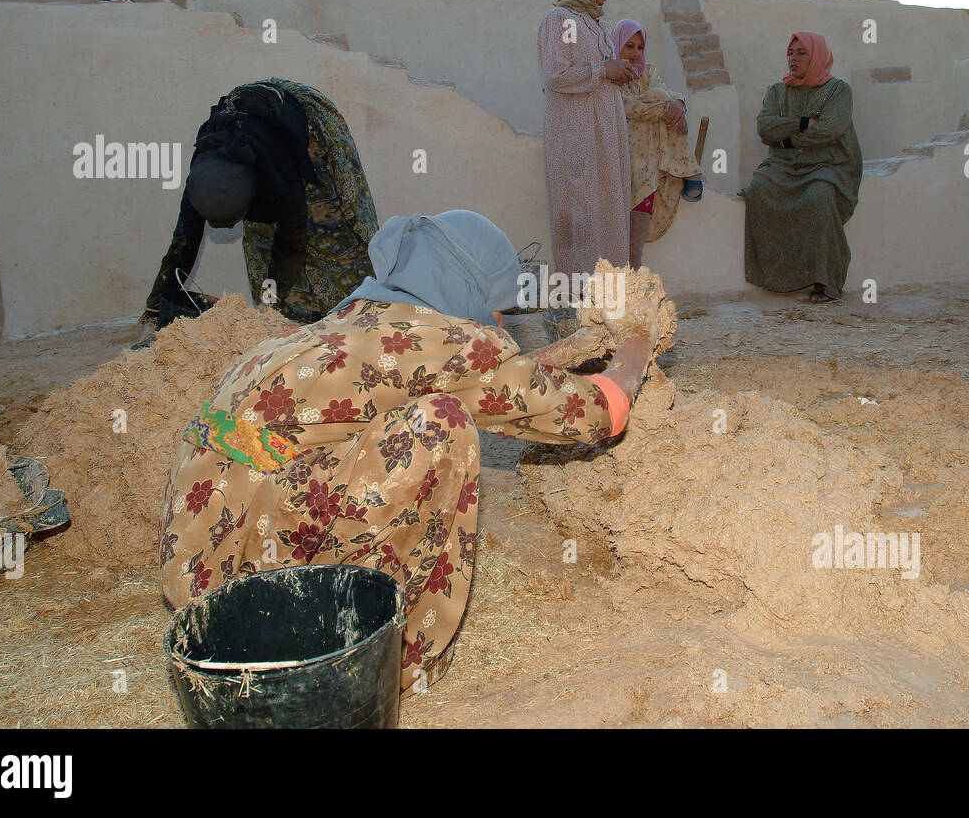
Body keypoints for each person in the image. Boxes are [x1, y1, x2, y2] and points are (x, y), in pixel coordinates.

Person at [158, 210, 660, 694]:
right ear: (470, 288)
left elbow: (455, 381)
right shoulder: (452, 342)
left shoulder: (343, 326)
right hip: (261, 589)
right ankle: (387, 653)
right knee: (441, 425)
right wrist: (638, 340)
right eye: (498, 303)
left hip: (200, 567)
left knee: (416, 420)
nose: (499, 319)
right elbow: (596, 413)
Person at [141, 78, 379, 332]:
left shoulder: (280, 180)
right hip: (255, 128)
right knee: (262, 243)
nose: (234, 226)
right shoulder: (203, 176)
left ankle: (355, 316)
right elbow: (183, 241)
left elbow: (291, 241)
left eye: (235, 219)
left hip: (310, 124)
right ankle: (288, 321)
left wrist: (268, 304)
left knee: (332, 230)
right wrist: (153, 310)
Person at [537, 0, 635, 341]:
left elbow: (592, 73)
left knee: (607, 209)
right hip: (575, 136)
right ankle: (577, 318)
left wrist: (616, 73)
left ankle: (607, 311)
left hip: (602, 134)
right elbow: (557, 75)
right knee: (580, 213)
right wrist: (604, 71)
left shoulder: (593, 24)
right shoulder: (561, 21)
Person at [743, 32, 862, 303]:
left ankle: (824, 281)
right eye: (790, 52)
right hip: (782, 165)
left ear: (817, 56)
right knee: (758, 188)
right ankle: (776, 275)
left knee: (819, 197)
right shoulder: (777, 91)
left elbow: (831, 130)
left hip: (828, 165)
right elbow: (764, 128)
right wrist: (806, 123)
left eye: (801, 53)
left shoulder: (838, 90)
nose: (793, 58)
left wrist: (784, 136)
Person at [610, 19, 704, 267]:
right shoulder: (611, 76)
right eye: (629, 46)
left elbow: (665, 92)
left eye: (640, 47)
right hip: (622, 150)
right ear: (616, 45)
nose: (635, 53)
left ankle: (633, 266)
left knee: (664, 104)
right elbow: (629, 107)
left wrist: (678, 106)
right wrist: (668, 108)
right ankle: (689, 170)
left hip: (649, 155)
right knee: (660, 110)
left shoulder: (647, 72)